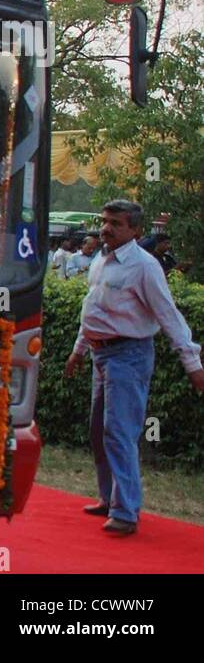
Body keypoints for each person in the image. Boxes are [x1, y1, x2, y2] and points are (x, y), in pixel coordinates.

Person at [64, 200, 204, 536]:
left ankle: (126, 512)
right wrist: (79, 350)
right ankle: (110, 500)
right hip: (101, 355)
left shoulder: (144, 266)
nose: (106, 228)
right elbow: (93, 308)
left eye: (116, 223)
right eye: (104, 221)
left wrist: (192, 363)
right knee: (99, 432)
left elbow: (168, 315)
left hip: (129, 355)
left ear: (136, 231)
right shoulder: (100, 259)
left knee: (119, 432)